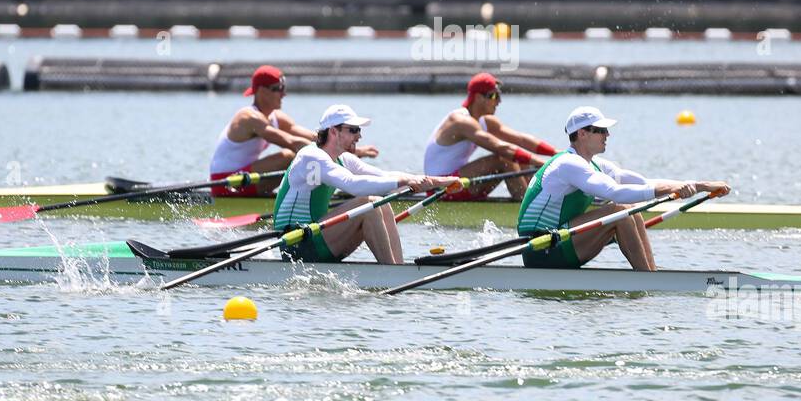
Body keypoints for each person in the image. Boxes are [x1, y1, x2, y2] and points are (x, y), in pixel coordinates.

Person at [516, 106, 730, 271]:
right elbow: (614, 193)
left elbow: (644, 183)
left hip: (558, 243)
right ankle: (647, 282)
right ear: (582, 134)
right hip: (540, 250)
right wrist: (669, 191)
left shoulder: (596, 165)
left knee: (630, 208)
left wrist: (700, 185)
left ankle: (650, 275)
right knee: (620, 210)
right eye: (601, 130)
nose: (607, 134)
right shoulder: (568, 164)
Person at [274, 104, 458, 264]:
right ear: (333, 131)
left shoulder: (343, 159)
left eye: (359, 130)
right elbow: (351, 184)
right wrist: (406, 181)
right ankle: (392, 275)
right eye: (353, 130)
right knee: (368, 204)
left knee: (381, 203)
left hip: (316, 238)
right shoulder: (311, 156)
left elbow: (385, 176)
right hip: (296, 246)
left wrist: (439, 182)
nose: (359, 136)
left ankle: (397, 269)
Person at [208, 65, 378, 197]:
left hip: (244, 179)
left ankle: (321, 190)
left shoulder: (276, 117)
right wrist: (337, 155)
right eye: (278, 89)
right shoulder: (248, 118)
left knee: (304, 154)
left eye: (283, 88)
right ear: (261, 91)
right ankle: (325, 190)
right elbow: (291, 142)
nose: (284, 94)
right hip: (225, 183)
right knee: (290, 156)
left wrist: (350, 148)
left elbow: (314, 137)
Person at [422, 73, 558, 200]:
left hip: (458, 184)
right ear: (478, 97)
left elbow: (521, 139)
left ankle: (538, 200)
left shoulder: (485, 121)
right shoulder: (460, 121)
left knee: (521, 159)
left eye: (499, 95)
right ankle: (527, 207)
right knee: (504, 157)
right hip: (439, 188)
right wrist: (546, 164)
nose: (499, 101)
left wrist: (556, 154)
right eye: (493, 96)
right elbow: (503, 149)